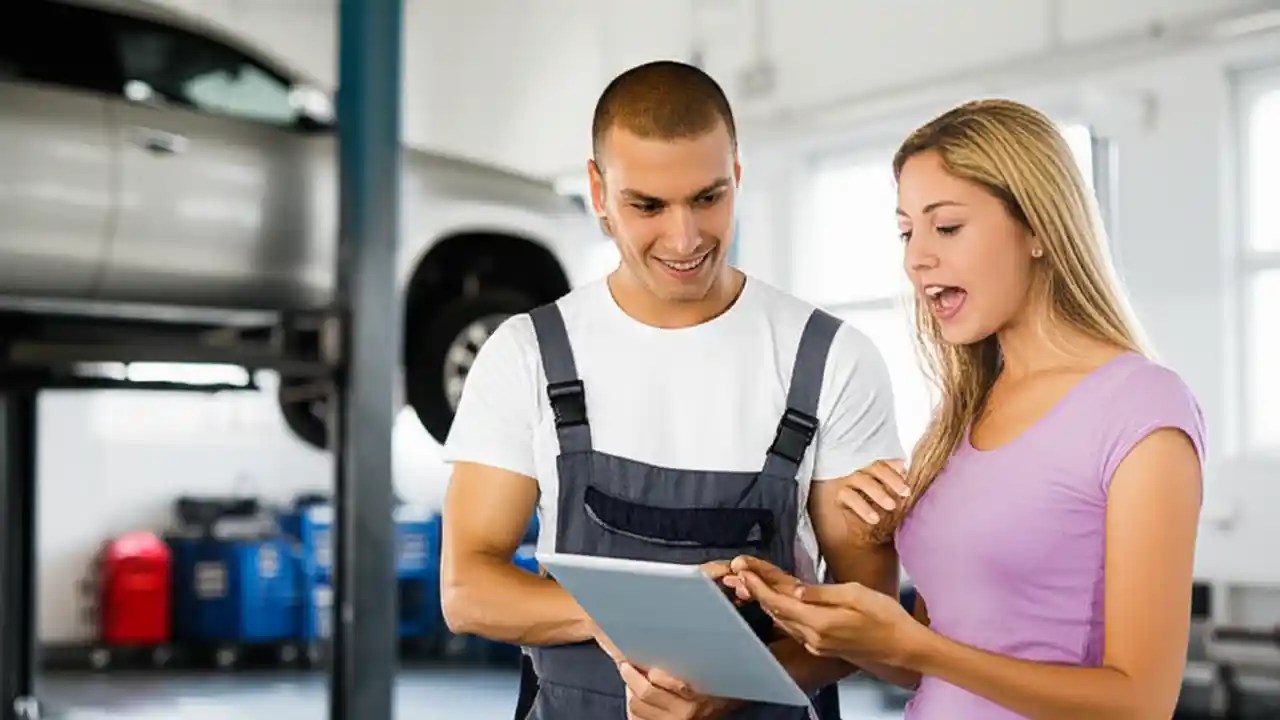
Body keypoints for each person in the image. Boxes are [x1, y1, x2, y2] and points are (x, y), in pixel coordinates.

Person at [438, 59, 910, 719]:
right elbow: (466, 590)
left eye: (708, 198)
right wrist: (624, 618)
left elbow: (872, 620)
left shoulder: (832, 361)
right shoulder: (527, 357)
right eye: (648, 206)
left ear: (737, 176)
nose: (684, 238)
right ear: (599, 193)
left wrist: (737, 685)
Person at [727, 98, 1207, 720]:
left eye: (946, 227)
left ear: (1038, 227)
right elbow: (918, 661)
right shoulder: (961, 417)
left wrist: (920, 647)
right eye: (906, 232)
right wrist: (811, 607)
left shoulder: (1141, 407)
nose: (915, 258)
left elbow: (1140, 702)